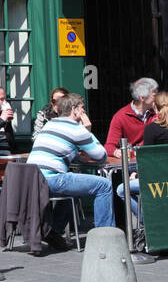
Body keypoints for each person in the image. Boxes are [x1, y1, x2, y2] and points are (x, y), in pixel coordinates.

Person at [27, 94, 115, 246]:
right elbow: (101, 155)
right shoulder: (76, 129)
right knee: (104, 185)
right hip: (51, 179)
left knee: (73, 191)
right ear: (74, 110)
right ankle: (105, 238)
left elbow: (61, 149)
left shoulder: (50, 124)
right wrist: (87, 129)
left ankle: (53, 232)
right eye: (82, 109)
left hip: (32, 179)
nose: (84, 113)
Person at [119, 91, 168, 220]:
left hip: (156, 181)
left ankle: (149, 222)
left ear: (154, 106)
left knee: (122, 190)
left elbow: (147, 161)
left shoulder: (151, 129)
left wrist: (137, 175)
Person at [104, 77, 168, 160]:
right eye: (155, 95)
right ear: (142, 98)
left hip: (160, 159)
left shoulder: (162, 110)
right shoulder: (121, 116)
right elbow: (109, 146)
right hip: (135, 162)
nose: (158, 98)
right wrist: (116, 152)